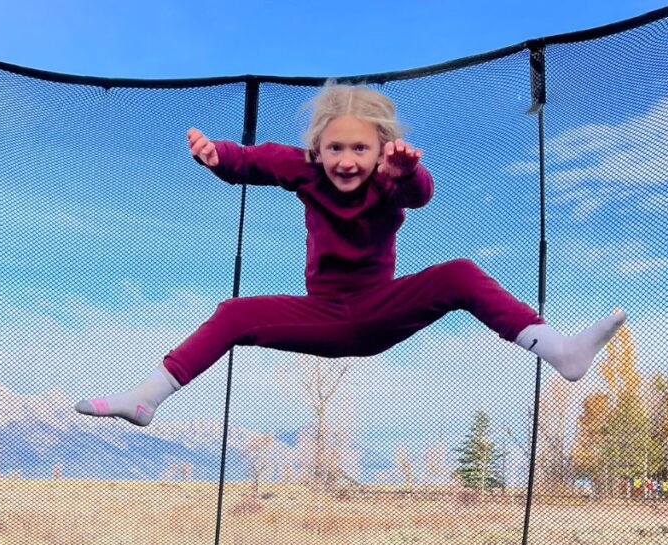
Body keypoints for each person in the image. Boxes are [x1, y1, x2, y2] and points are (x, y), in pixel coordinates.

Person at [76, 83, 625, 426]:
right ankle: (147, 398)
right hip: (322, 315)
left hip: (380, 309)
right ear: (317, 149)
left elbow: (421, 194)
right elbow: (254, 161)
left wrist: (404, 173)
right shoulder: (302, 169)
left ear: (381, 149)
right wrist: (216, 156)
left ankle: (559, 350)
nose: (345, 160)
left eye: (360, 148)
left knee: (459, 274)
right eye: (335, 147)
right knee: (233, 313)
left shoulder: (390, 180)